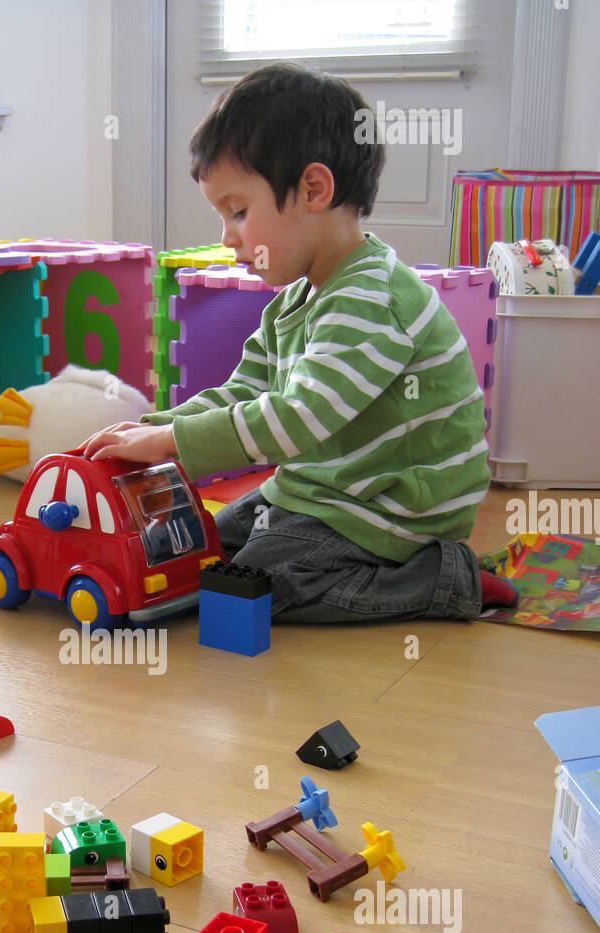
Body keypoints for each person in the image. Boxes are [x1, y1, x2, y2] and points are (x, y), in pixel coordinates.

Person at [82, 62, 516, 621]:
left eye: (238, 211)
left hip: (391, 510)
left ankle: (444, 577)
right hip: (323, 488)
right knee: (197, 545)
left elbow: (299, 416)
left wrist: (174, 443)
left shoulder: (370, 298)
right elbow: (242, 391)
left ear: (314, 189)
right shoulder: (298, 298)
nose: (226, 236)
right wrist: (158, 428)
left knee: (249, 589)